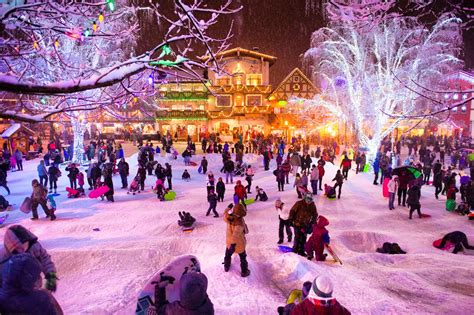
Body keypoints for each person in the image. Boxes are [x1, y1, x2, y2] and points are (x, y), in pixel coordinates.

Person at [0, 225, 57, 291]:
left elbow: (45, 259)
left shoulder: (34, 247)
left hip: (35, 287)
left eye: (25, 244)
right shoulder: (3, 257)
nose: (23, 249)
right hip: (15, 293)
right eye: (19, 248)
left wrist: (51, 275)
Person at [223, 203, 250, 277]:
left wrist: (228, 207)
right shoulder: (239, 223)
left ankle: (226, 266)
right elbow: (235, 235)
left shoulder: (229, 217)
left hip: (229, 241)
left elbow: (225, 214)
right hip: (238, 243)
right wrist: (233, 244)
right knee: (243, 257)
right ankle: (244, 271)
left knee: (227, 255)